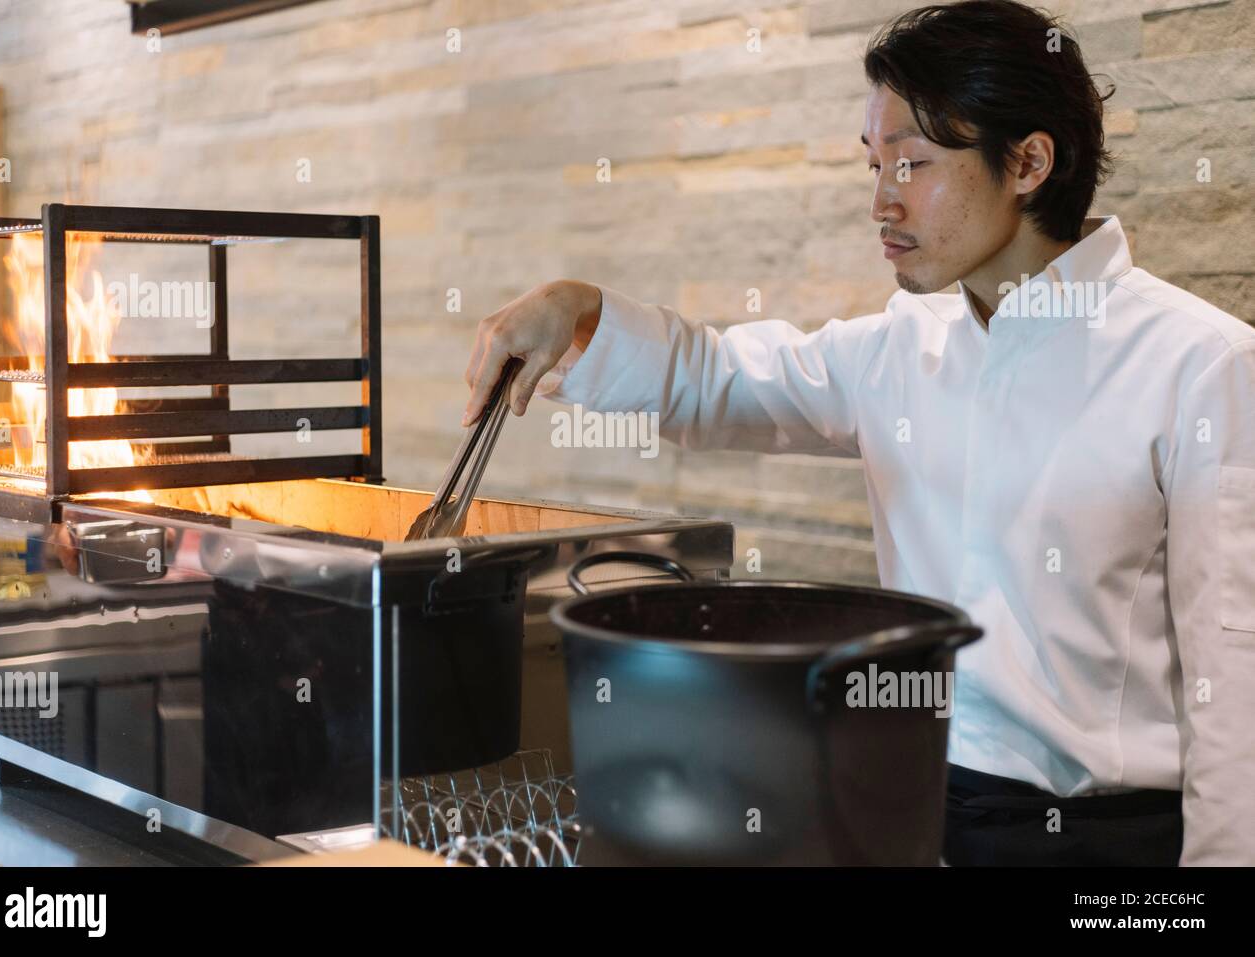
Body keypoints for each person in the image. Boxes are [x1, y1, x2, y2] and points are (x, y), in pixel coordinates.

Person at [461, 0, 1255, 866]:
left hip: (1107, 850)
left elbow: (1239, 685)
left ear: (1028, 161)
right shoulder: (898, 348)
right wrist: (581, 309)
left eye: (913, 162)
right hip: (905, 814)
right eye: (874, 164)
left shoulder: (1202, 364)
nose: (882, 201)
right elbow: (718, 379)